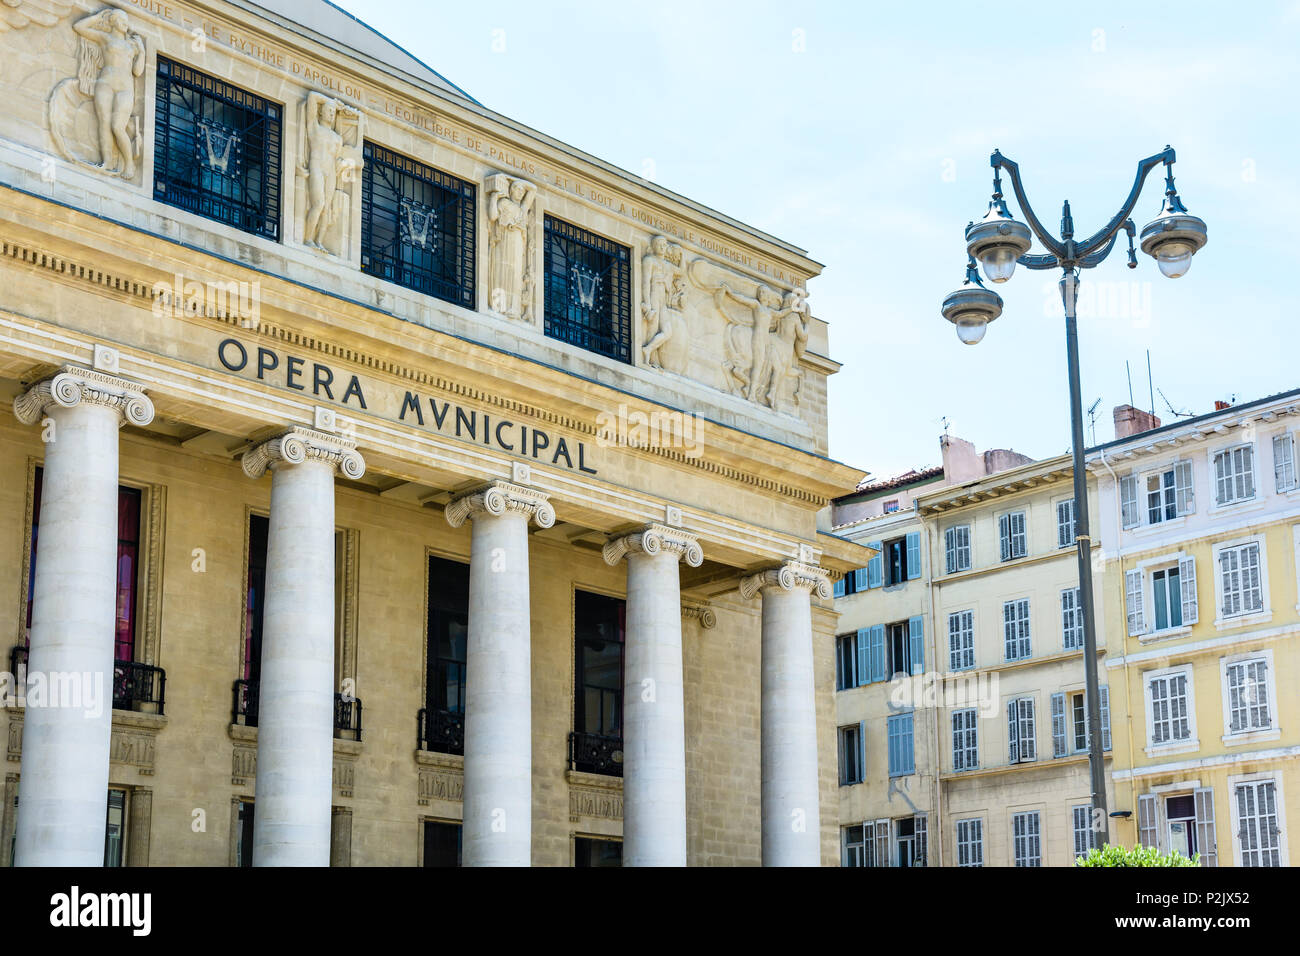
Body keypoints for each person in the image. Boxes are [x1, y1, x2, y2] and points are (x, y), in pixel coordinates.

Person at [74, 9, 145, 179]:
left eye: (127, 20)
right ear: (112, 21)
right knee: (104, 123)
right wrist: (98, 17)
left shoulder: (132, 46)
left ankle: (129, 164)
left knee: (117, 126)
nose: (125, 23)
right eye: (121, 19)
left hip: (125, 87)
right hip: (105, 83)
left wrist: (141, 51)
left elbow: (137, 71)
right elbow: (78, 27)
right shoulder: (105, 38)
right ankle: (107, 162)